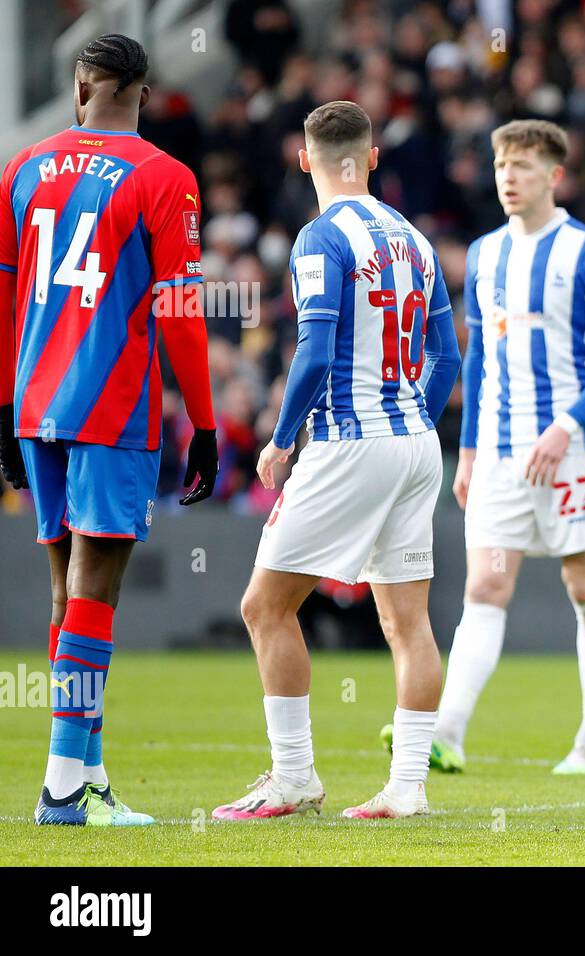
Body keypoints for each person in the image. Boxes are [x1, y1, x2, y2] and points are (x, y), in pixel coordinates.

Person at [211, 100, 460, 821]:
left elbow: (316, 349)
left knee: (264, 606)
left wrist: (284, 438)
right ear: (374, 157)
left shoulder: (322, 237)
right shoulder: (415, 238)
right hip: (417, 443)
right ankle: (407, 789)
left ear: (303, 159)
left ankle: (293, 778)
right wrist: (413, 409)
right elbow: (445, 355)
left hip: (353, 441)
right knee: (408, 622)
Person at [0, 34, 219, 826]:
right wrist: (202, 418)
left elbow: (4, 293)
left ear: (79, 85)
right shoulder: (166, 177)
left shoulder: (23, 168)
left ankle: (81, 776)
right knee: (100, 583)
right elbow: (183, 312)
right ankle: (62, 786)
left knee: (67, 586)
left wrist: (2, 408)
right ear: (146, 93)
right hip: (111, 404)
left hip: (34, 401)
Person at [423, 119, 585, 776]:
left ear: (554, 175)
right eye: (501, 167)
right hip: (500, 451)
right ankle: (448, 733)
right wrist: (469, 453)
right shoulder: (485, 254)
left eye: (521, 166)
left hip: (568, 449)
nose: (508, 179)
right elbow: (480, 355)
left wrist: (567, 425)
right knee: (486, 587)